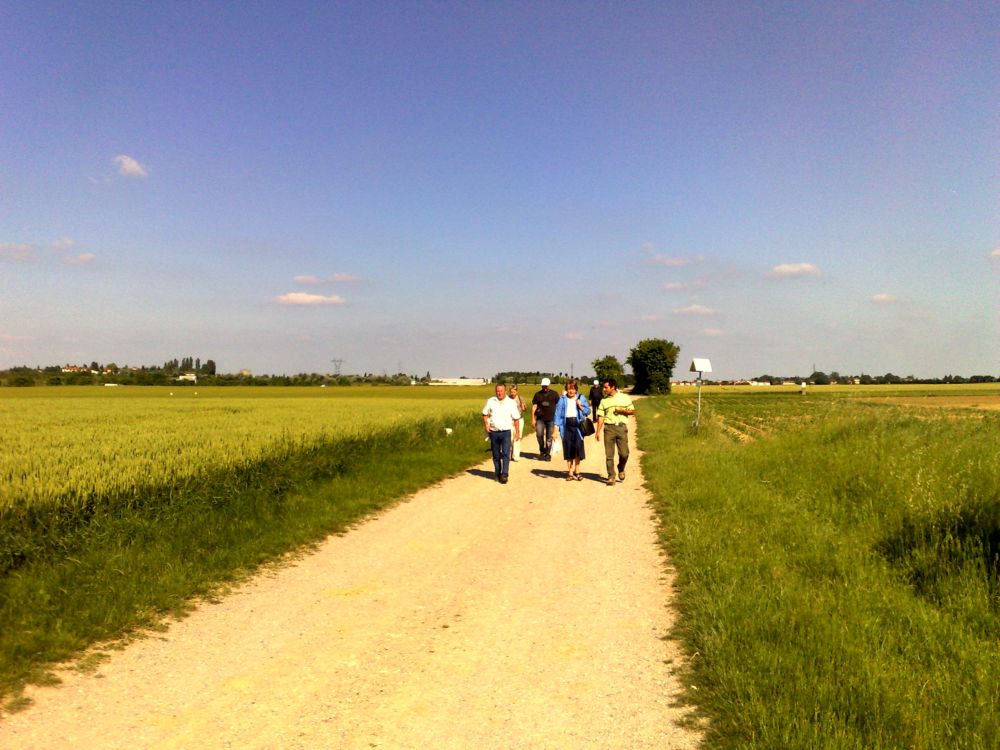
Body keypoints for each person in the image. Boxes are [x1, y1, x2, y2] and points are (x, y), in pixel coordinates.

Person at [594, 377, 635, 486]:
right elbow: (601, 417)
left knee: (624, 454)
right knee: (609, 455)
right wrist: (598, 431)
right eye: (604, 387)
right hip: (609, 429)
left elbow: (632, 411)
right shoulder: (604, 401)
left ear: (613, 387)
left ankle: (621, 467)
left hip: (621, 427)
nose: (604, 389)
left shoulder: (624, 398)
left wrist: (623, 410)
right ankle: (611, 476)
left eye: (606, 387)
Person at [483, 383, 521, 483]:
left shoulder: (511, 402)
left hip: (506, 432)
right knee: (496, 455)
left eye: (501, 391)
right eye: (497, 391)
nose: (499, 393)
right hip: (494, 432)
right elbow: (484, 414)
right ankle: (497, 472)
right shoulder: (491, 401)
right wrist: (486, 425)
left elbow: (516, 418)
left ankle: (504, 474)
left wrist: (517, 432)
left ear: (505, 391)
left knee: (505, 454)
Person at [553, 380, 590, 480]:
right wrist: (555, 430)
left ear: (576, 389)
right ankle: (570, 472)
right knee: (568, 449)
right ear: (566, 389)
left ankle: (577, 471)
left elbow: (588, 411)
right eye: (569, 388)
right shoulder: (562, 400)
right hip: (566, 427)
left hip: (578, 427)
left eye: (573, 389)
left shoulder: (581, 397)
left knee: (578, 449)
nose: (571, 391)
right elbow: (558, 415)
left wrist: (580, 406)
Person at [531, 377, 559, 461]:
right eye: (543, 386)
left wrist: (558, 419)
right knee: (539, 435)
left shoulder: (554, 394)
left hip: (551, 419)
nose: (545, 387)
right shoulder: (537, 394)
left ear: (549, 385)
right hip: (540, 419)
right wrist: (533, 418)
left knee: (549, 437)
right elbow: (534, 406)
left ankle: (547, 454)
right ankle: (542, 450)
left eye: (546, 386)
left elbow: (558, 406)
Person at [508, 384, 527, 462]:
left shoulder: (520, 398)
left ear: (517, 391)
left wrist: (523, 407)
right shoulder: (507, 399)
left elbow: (525, 409)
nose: (512, 393)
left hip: (519, 420)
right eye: (511, 392)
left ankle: (515, 456)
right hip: (510, 420)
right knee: (509, 438)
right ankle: (509, 454)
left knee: (517, 437)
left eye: (514, 392)